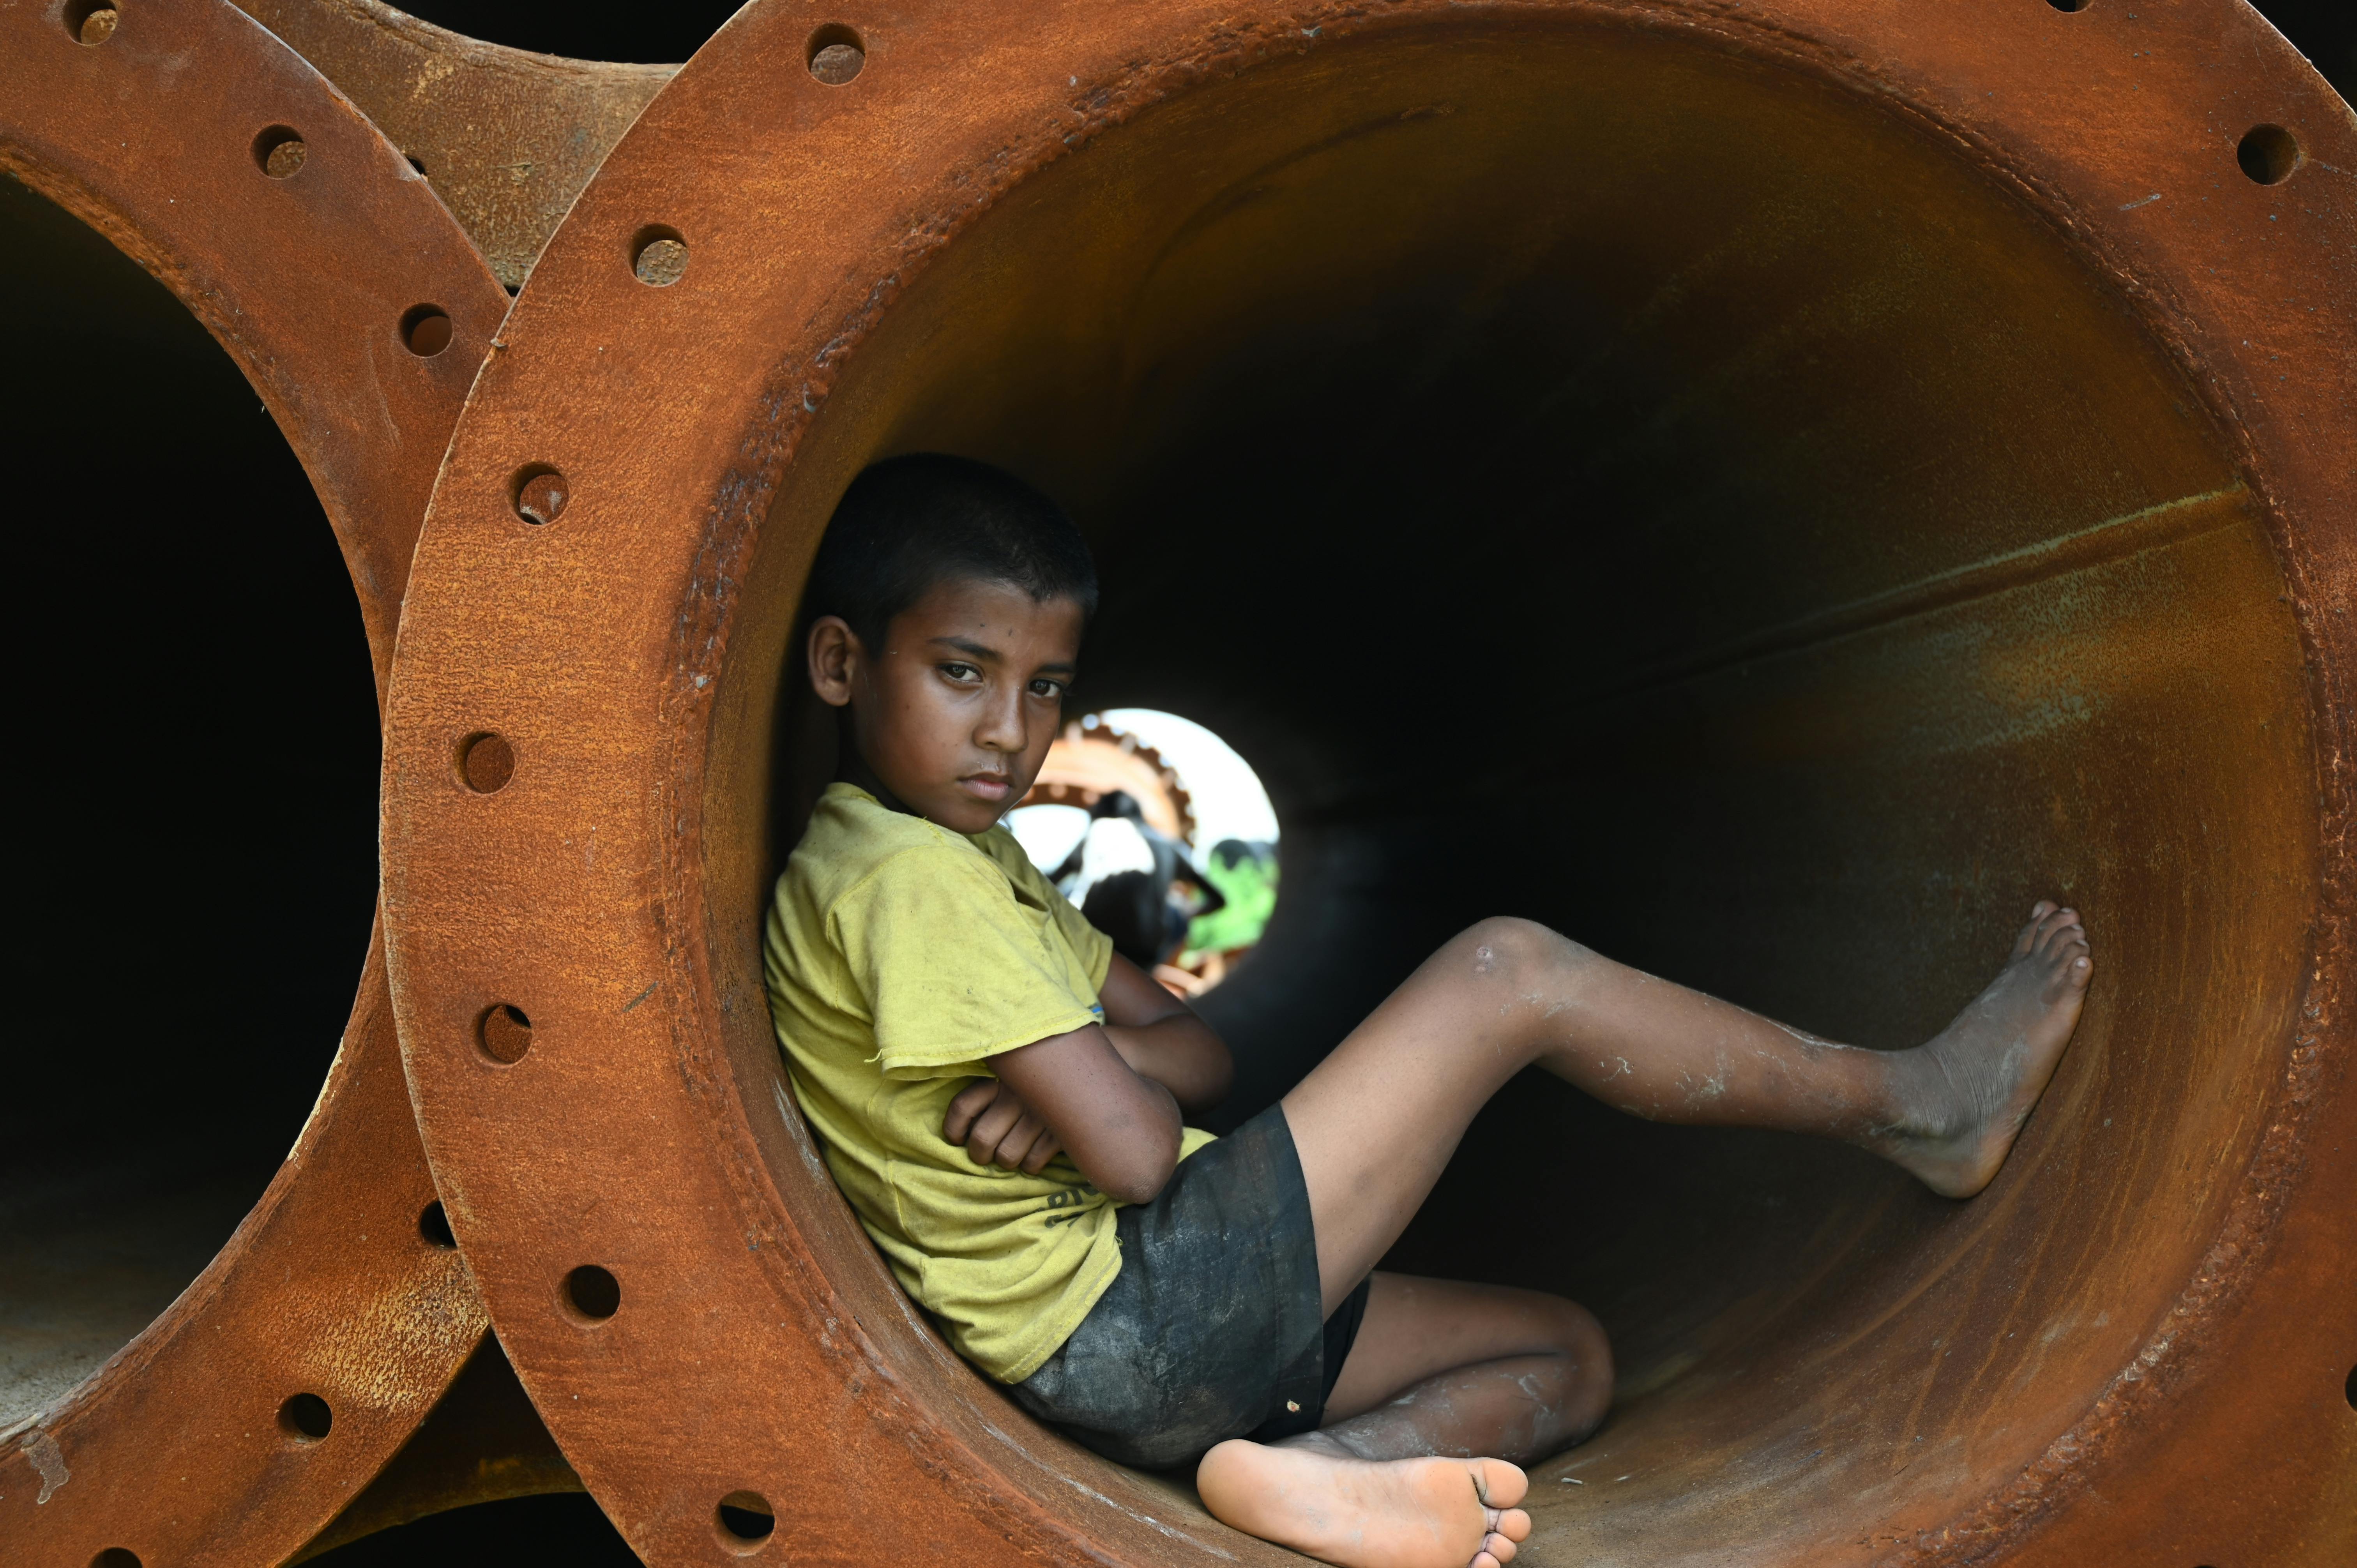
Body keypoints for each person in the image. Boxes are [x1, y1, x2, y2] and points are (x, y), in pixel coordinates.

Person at [763, 454, 2093, 1568]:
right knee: (1509, 974)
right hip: (1132, 1304)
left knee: (1565, 1357)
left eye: (1046, 685)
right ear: (839, 662)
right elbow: (1130, 1150)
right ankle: (1917, 1103)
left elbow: (1200, 1048)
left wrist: (1083, 1064)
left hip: (1141, 1351)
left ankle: (1331, 1472)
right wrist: (1101, 1099)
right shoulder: (908, 880)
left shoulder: (972, 858)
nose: (1010, 729)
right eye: (960, 672)